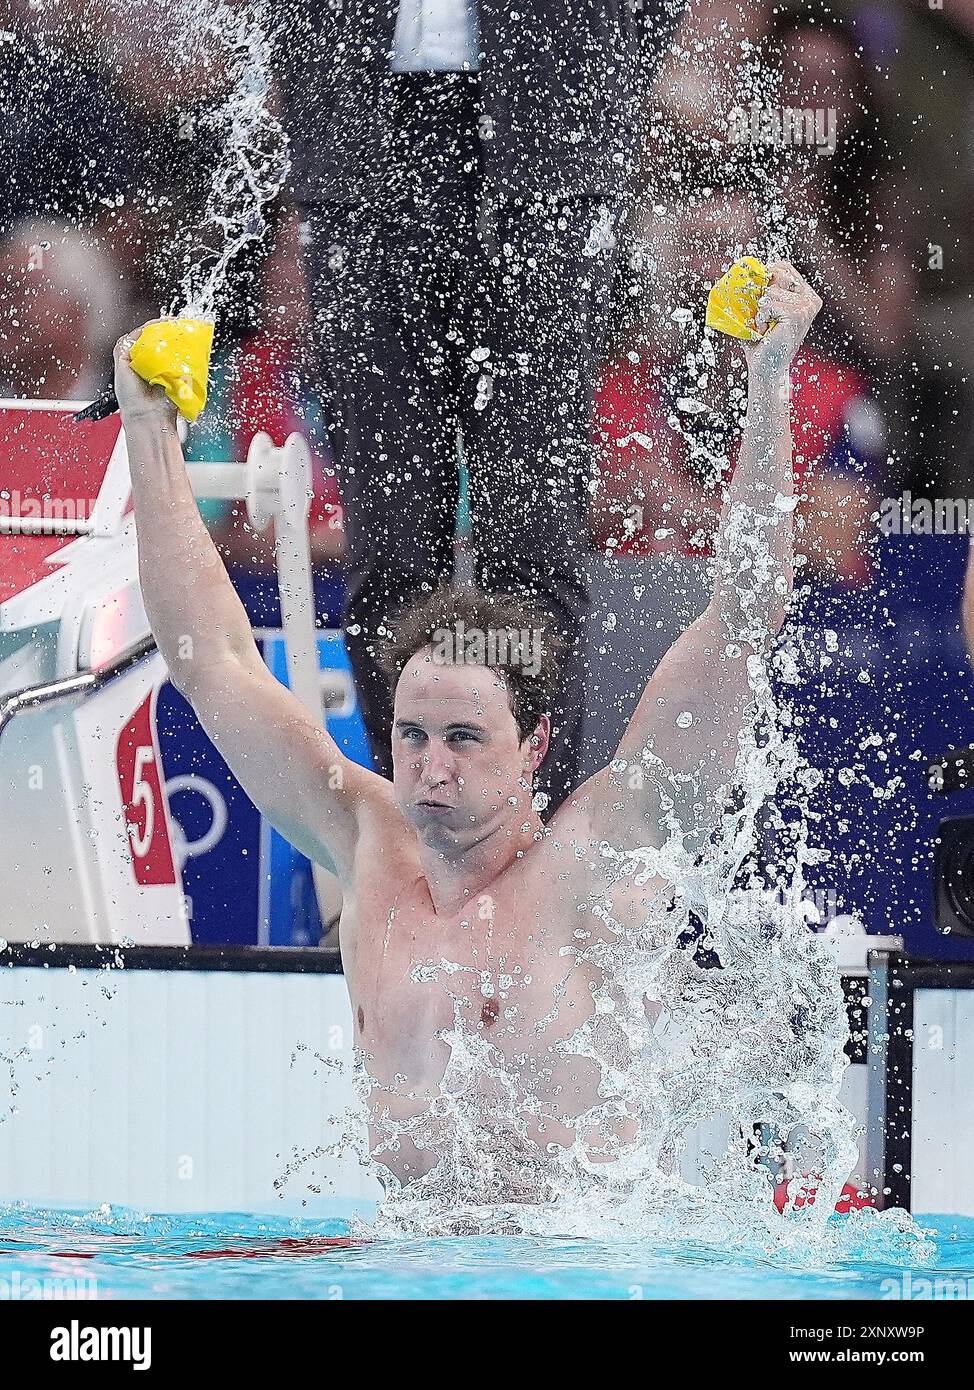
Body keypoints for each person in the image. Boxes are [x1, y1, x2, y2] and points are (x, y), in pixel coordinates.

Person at [115, 259, 821, 1207]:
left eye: (462, 738)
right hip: (406, 1268)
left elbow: (743, 618)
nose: (427, 766)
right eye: (409, 734)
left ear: (534, 748)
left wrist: (768, 384)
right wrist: (149, 427)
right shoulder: (366, 841)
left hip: (572, 1277)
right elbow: (212, 663)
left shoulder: (605, 850)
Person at [274, 0, 688, 812]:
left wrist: (600, 85)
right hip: (360, 133)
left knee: (532, 549)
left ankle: (529, 851)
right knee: (389, 553)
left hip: (551, 138)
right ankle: (422, 848)